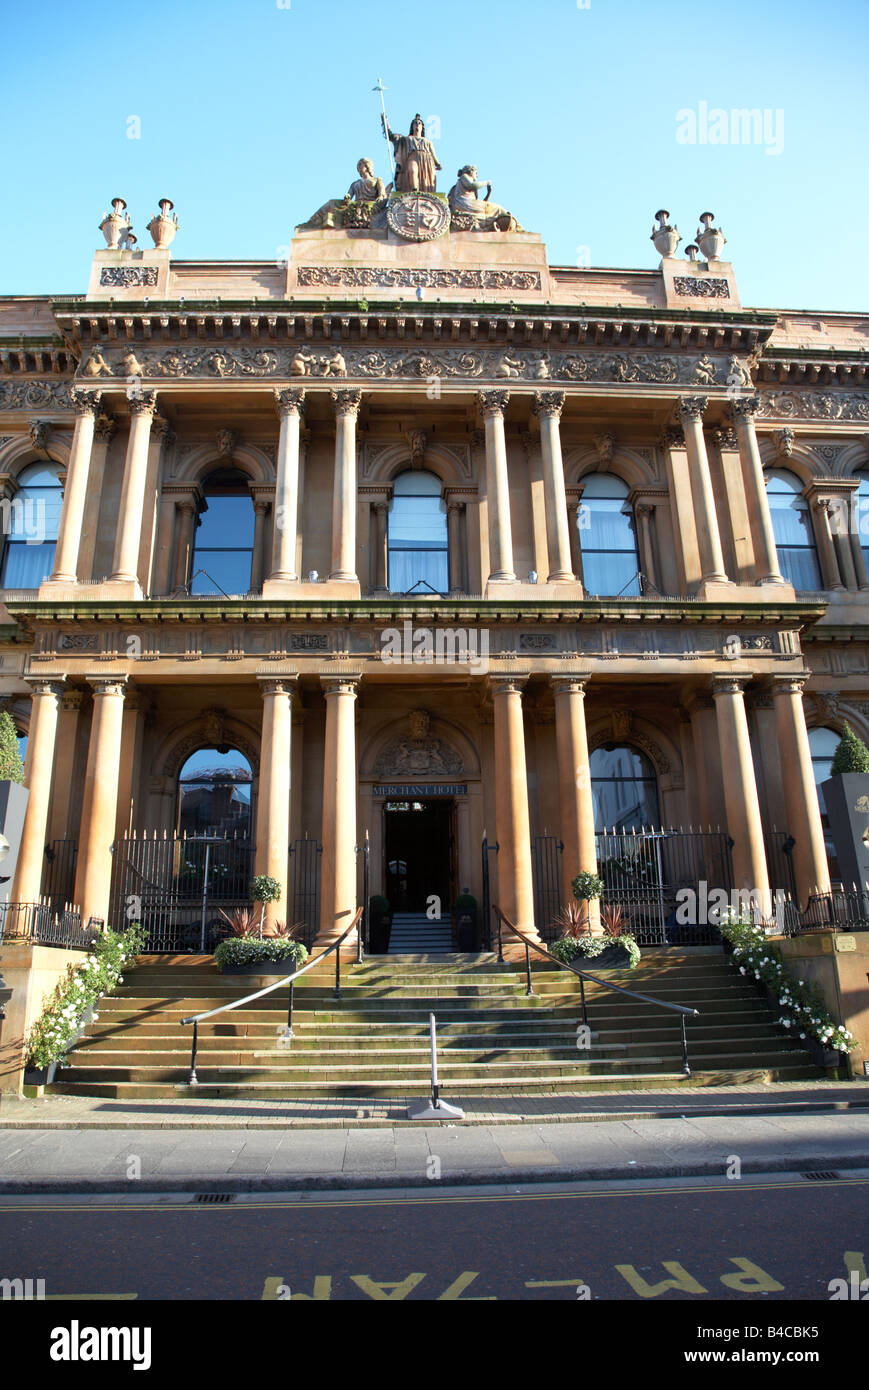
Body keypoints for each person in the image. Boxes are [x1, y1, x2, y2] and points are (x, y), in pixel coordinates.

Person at [382, 114, 442, 193]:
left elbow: (433, 154)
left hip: (426, 161)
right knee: (412, 170)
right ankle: (414, 191)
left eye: (419, 123)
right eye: (415, 123)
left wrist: (437, 164)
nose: (417, 124)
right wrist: (385, 122)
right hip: (412, 157)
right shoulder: (406, 139)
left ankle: (423, 195)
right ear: (412, 126)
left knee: (425, 180)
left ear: (422, 127)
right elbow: (390, 135)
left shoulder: (428, 141)